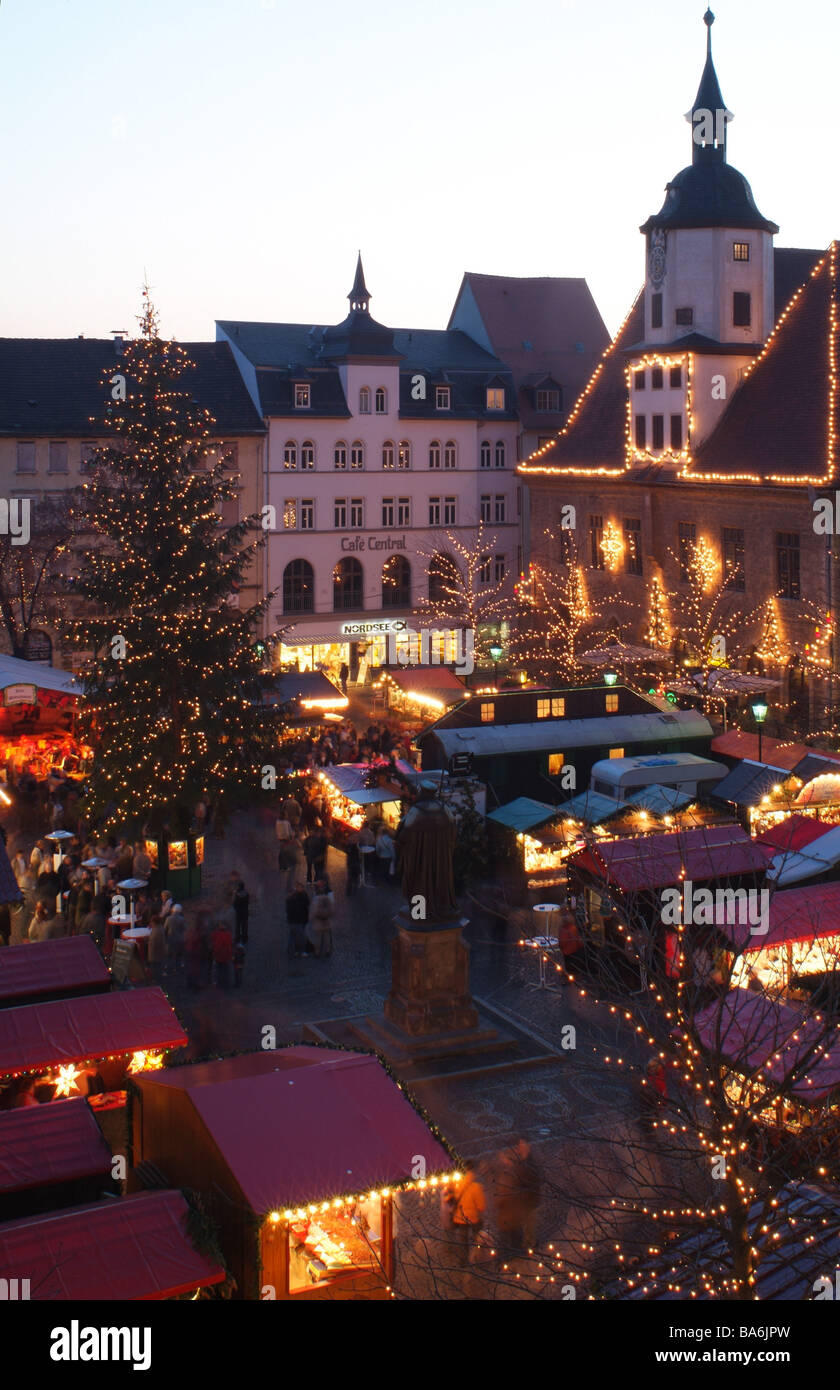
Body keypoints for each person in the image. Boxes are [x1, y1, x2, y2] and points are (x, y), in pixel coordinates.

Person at [494, 1139, 542, 1255]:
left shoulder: (528, 1164)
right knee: (522, 1227)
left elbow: (523, 1176)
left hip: (529, 1202)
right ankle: (522, 1247)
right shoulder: (523, 1162)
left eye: (521, 1146)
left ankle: (528, 1249)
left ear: (528, 1147)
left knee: (528, 1227)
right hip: (522, 1203)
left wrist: (507, 1162)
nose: (519, 1149)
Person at [451, 1168, 486, 1266]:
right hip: (473, 1218)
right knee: (477, 1239)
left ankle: (463, 1261)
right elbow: (481, 1206)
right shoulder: (476, 1187)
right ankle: (477, 1259)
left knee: (463, 1241)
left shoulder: (457, 1185)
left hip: (460, 1218)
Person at [306, 879, 334, 959]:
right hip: (327, 921)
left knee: (318, 937)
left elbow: (313, 910)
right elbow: (332, 910)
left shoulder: (316, 900)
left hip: (318, 922)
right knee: (327, 937)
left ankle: (317, 952)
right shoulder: (327, 899)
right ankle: (328, 950)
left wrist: (310, 918)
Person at [285, 882, 310, 960]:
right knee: (301, 936)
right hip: (300, 920)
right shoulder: (303, 897)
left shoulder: (289, 898)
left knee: (292, 936)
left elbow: (287, 910)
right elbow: (307, 904)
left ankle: (292, 950)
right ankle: (301, 951)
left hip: (292, 920)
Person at [211, 919, 234, 989]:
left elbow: (214, 944)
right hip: (226, 956)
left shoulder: (215, 934)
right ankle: (226, 984)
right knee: (225, 970)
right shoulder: (228, 935)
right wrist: (231, 955)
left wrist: (214, 953)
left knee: (217, 970)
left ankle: (217, 983)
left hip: (218, 955)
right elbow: (230, 946)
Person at [147, 914, 167, 984]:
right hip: (159, 951)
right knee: (158, 965)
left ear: (154, 922)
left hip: (155, 952)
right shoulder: (160, 927)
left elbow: (153, 943)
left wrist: (147, 941)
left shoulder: (156, 931)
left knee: (155, 967)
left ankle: (156, 980)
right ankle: (158, 977)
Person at [232, 879, 250, 944]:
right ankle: (244, 938)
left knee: (238, 925)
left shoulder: (236, 893)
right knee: (245, 925)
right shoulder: (247, 893)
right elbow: (248, 902)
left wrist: (235, 908)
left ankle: (237, 938)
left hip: (239, 912)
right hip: (245, 911)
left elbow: (234, 903)